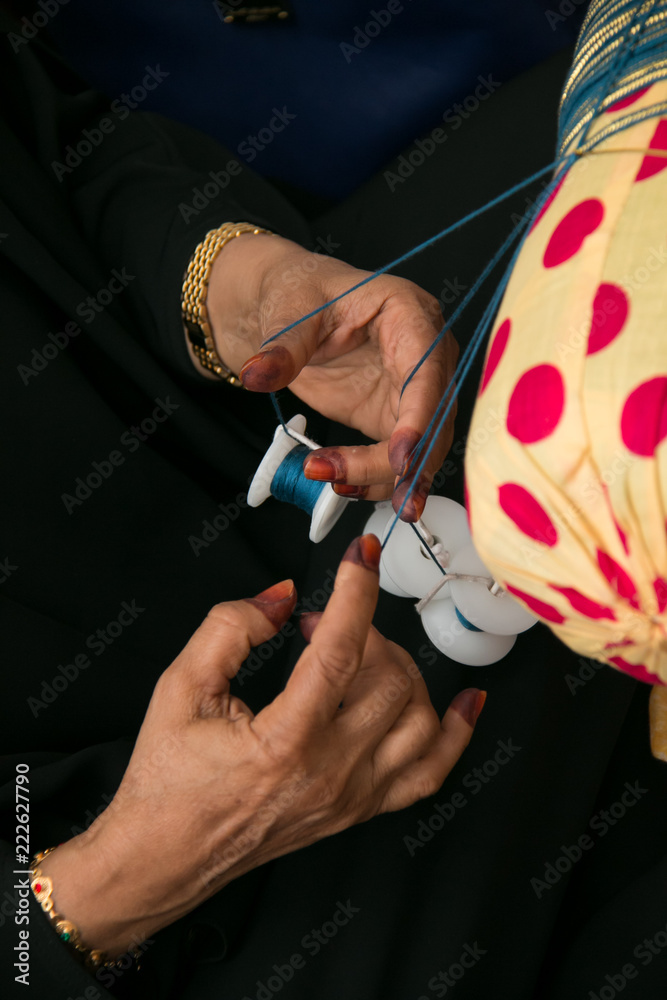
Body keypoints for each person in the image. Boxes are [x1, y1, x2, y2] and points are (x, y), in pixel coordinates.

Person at [2, 8, 667, 1000]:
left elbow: (57, 140)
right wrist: (92, 891)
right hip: (218, 894)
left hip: (320, 398)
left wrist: (236, 286)